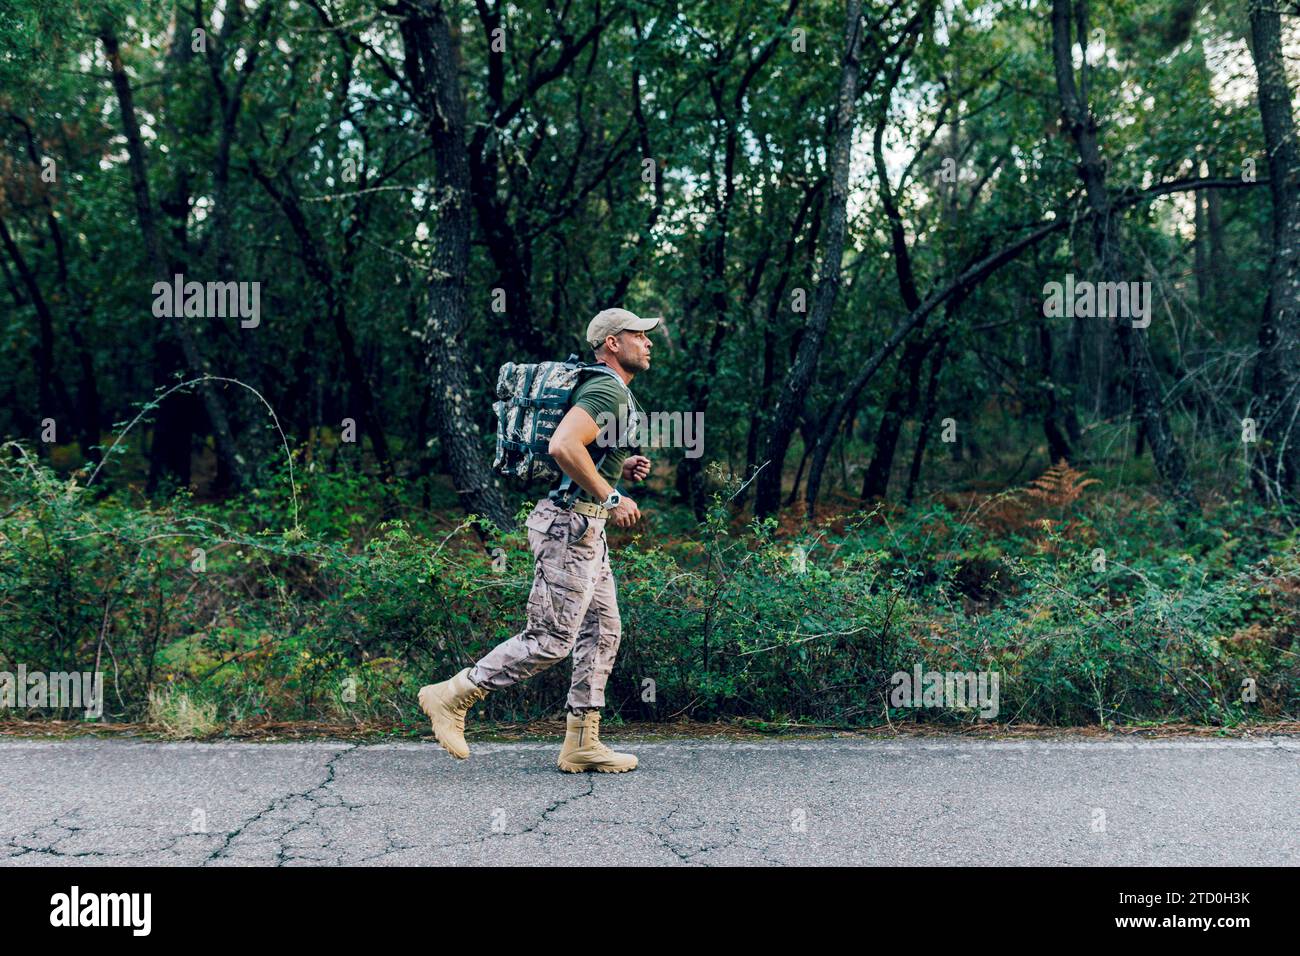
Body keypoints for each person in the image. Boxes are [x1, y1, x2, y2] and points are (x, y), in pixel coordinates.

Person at [418, 307, 659, 772]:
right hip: (570, 529)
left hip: (584, 529)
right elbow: (562, 446)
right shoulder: (608, 388)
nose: (648, 343)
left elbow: (581, 451)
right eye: (639, 335)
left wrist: (617, 468)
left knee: (603, 631)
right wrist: (612, 496)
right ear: (613, 343)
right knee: (550, 639)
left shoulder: (606, 388)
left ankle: (581, 742)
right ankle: (452, 695)